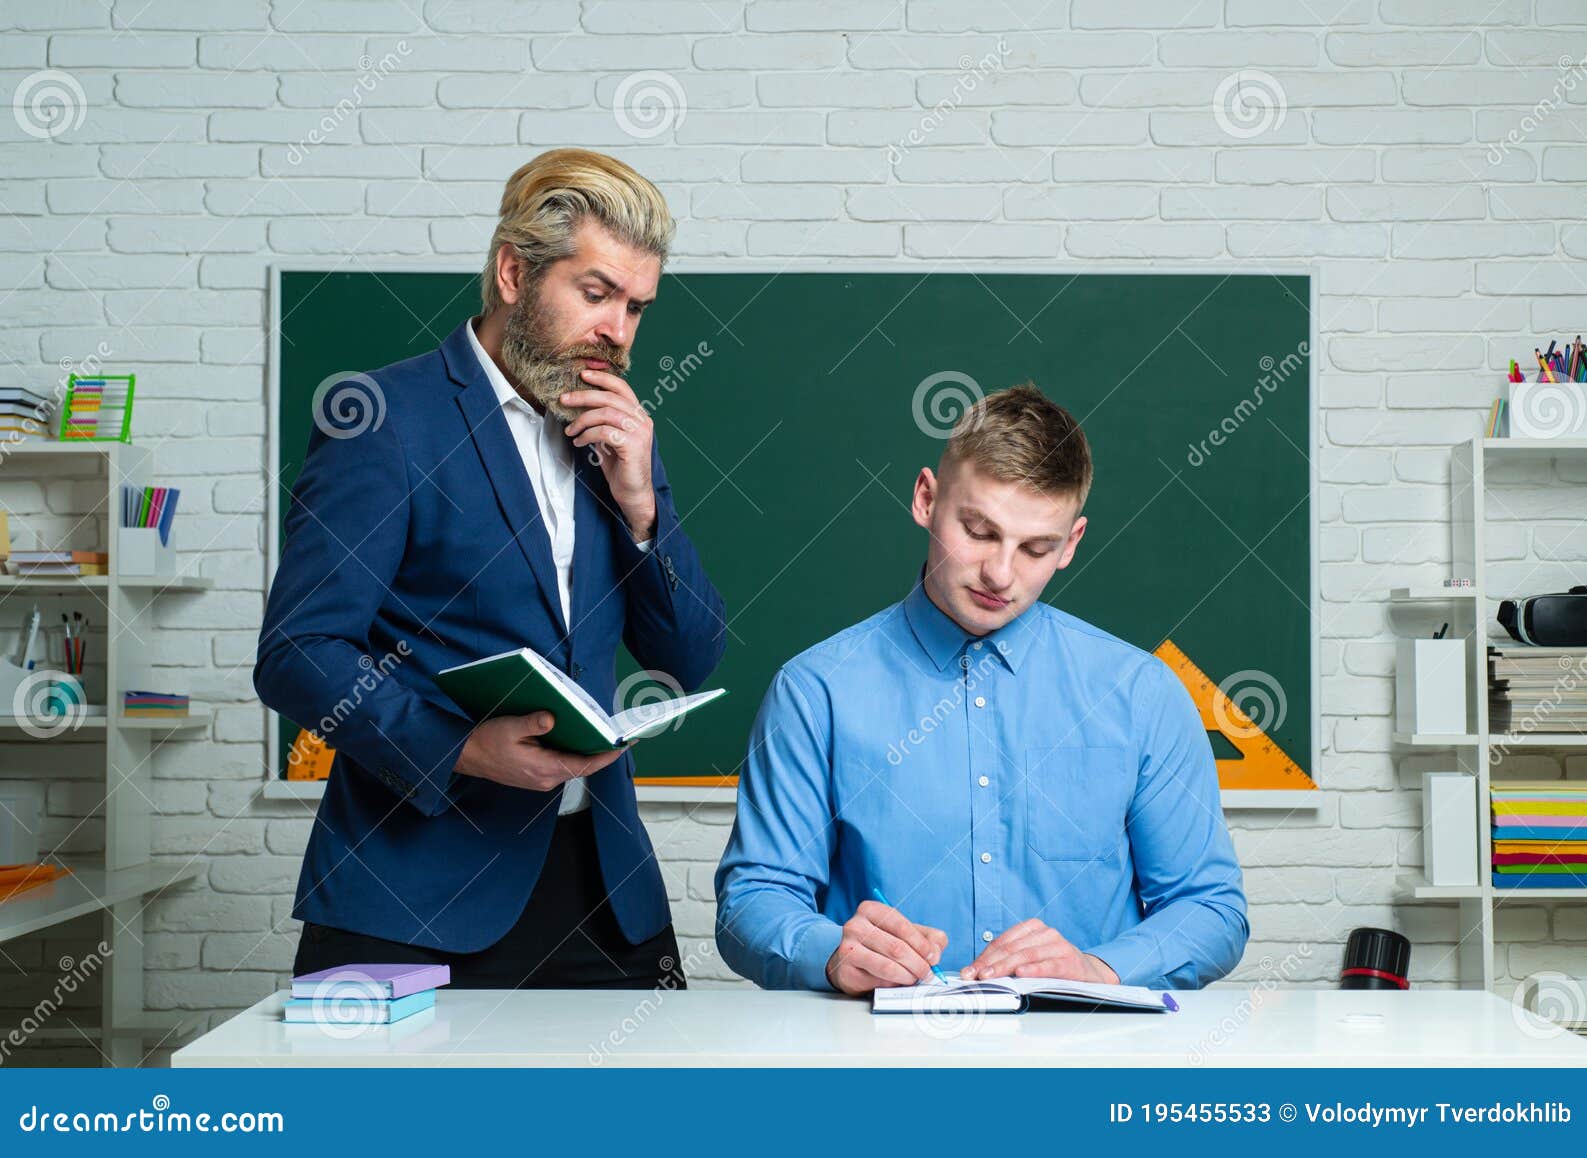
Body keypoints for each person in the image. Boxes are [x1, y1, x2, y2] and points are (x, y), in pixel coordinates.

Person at [256, 148, 725, 989]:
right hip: (416, 897)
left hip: (604, 892)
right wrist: (462, 748)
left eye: (636, 306)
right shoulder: (385, 421)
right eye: (596, 294)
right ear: (514, 272)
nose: (618, 330)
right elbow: (299, 651)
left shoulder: (615, 435)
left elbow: (688, 657)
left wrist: (643, 503)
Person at [715, 384, 1247, 994]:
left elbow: (1211, 910)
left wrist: (1097, 971)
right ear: (925, 499)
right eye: (979, 531)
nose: (1000, 573)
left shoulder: (1141, 695)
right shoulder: (815, 693)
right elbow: (750, 903)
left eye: (1036, 548)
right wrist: (831, 952)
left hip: (1085, 1063)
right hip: (878, 1065)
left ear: (1071, 544)